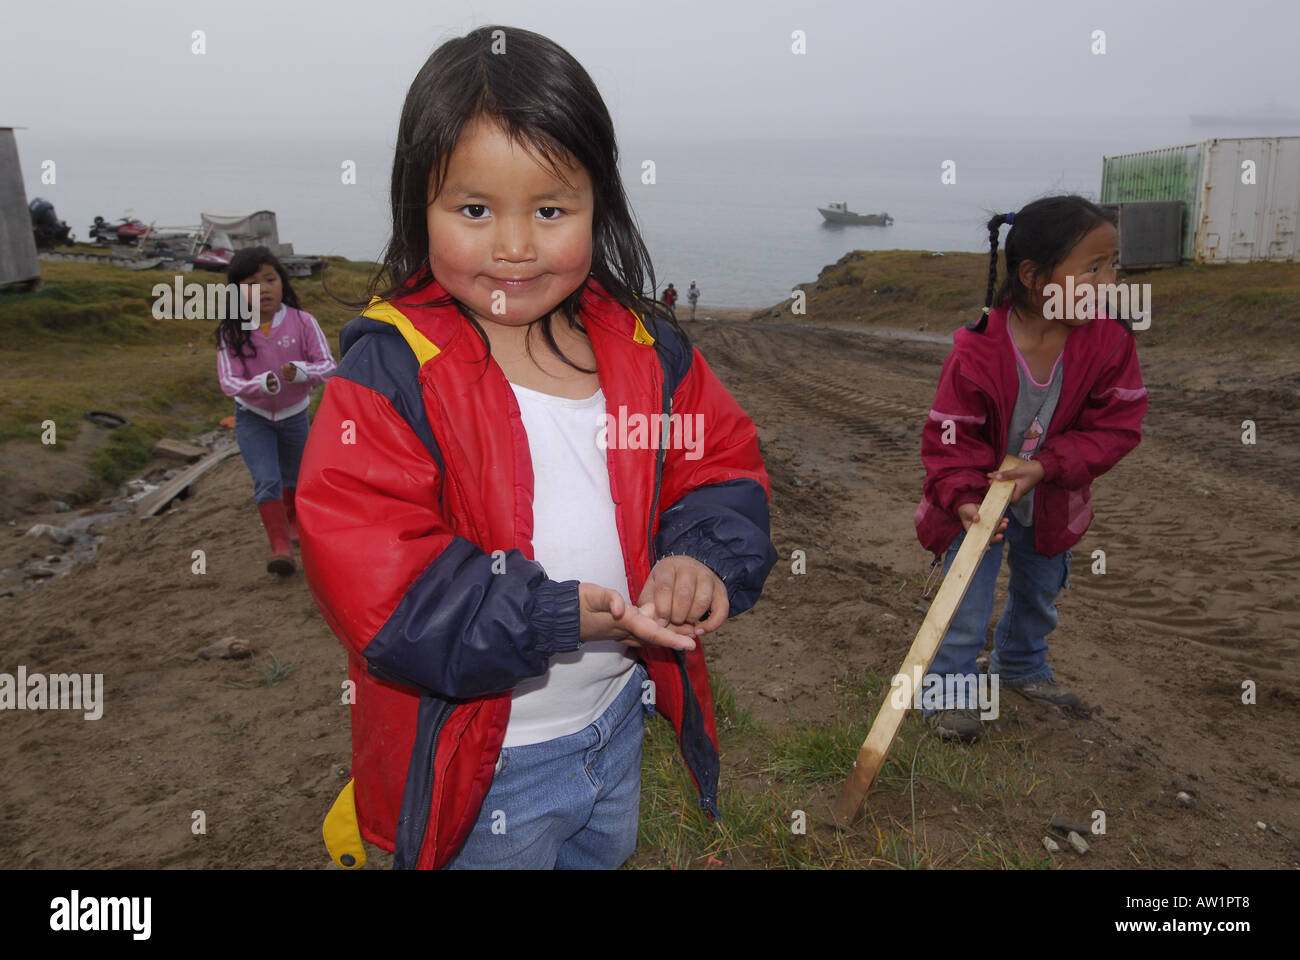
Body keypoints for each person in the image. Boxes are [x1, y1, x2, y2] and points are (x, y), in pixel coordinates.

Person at [295, 25, 776, 871]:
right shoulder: (391, 373)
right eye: (474, 210)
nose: (514, 247)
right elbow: (377, 578)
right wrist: (546, 614)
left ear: (600, 204)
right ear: (421, 207)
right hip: (479, 764)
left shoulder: (643, 350)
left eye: (550, 210)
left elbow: (717, 465)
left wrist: (699, 556)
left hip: (613, 722)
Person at [913, 196, 1148, 742]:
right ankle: (948, 684)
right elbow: (949, 436)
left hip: (1053, 495)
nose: (1110, 280)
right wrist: (966, 499)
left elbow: (1119, 426)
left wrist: (1046, 467)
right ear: (1033, 276)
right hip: (977, 498)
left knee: (1041, 588)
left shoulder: (1110, 343)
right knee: (967, 588)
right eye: (1093, 268)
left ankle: (1020, 665)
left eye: (1113, 265)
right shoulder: (976, 350)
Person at [214, 246, 336, 574]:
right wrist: (259, 385)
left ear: (283, 282)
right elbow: (229, 381)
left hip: (294, 415)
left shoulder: (303, 322)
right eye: (252, 283)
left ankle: (294, 524)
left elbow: (328, 366)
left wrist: (301, 372)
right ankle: (280, 547)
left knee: (297, 476)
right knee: (266, 479)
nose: (263, 289)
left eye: (270, 279)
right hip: (252, 417)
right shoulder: (232, 331)